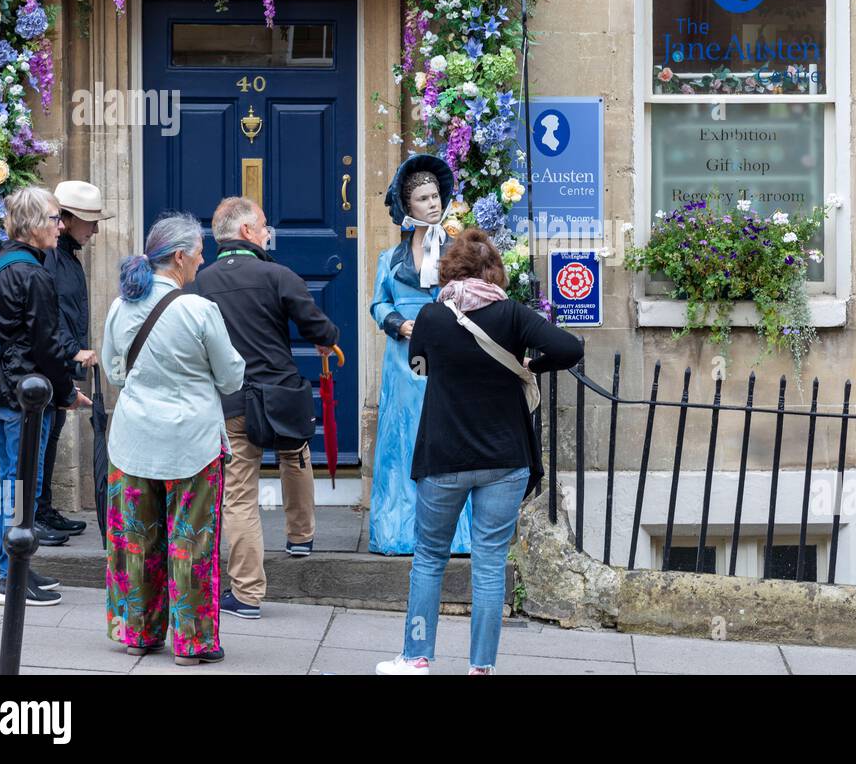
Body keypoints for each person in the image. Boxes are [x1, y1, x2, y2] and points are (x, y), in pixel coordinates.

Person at [377, 229, 582, 675]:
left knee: (429, 557)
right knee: (489, 563)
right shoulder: (512, 314)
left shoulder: (432, 315)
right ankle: (481, 667)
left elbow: (418, 365)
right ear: (494, 272)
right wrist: (531, 364)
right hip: (505, 459)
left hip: (445, 455)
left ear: (450, 269)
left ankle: (415, 657)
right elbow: (570, 347)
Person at [100, 213, 245, 665]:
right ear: (179, 257)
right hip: (191, 442)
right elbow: (231, 377)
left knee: (136, 540)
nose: (203, 260)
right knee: (193, 541)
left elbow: (113, 371)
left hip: (132, 440)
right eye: (200, 253)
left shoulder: (119, 307)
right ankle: (194, 642)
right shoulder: (198, 310)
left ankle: (139, 633)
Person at [191, 197, 339, 621]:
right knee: (295, 457)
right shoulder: (279, 275)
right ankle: (300, 536)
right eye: (262, 226)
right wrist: (325, 339)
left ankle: (248, 593)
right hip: (282, 393)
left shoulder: (201, 283)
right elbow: (320, 328)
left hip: (234, 398)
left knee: (239, 495)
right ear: (246, 234)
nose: (267, 232)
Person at [0, 186, 91, 607]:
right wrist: (66, 393)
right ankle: (10, 574)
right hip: (20, 400)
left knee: (14, 482)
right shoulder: (32, 274)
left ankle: (11, 568)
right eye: (53, 218)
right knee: (20, 485)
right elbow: (46, 345)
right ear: (32, 225)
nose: (60, 225)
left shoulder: (3, 263)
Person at [368, 154, 472, 555]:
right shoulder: (389, 260)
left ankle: (453, 535)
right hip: (402, 359)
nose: (432, 204)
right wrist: (398, 323)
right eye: (423, 198)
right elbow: (378, 303)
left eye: (435, 196)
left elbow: (470, 297)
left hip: (445, 352)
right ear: (407, 206)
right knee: (402, 441)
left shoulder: (458, 251)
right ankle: (398, 532)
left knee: (446, 437)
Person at [37, 180, 110, 538]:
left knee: (48, 437)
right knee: (37, 441)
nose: (95, 229)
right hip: (45, 367)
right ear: (67, 218)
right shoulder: (51, 257)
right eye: (90, 221)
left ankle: (42, 509)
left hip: (56, 368)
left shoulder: (64, 256)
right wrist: (72, 351)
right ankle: (33, 515)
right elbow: (48, 317)